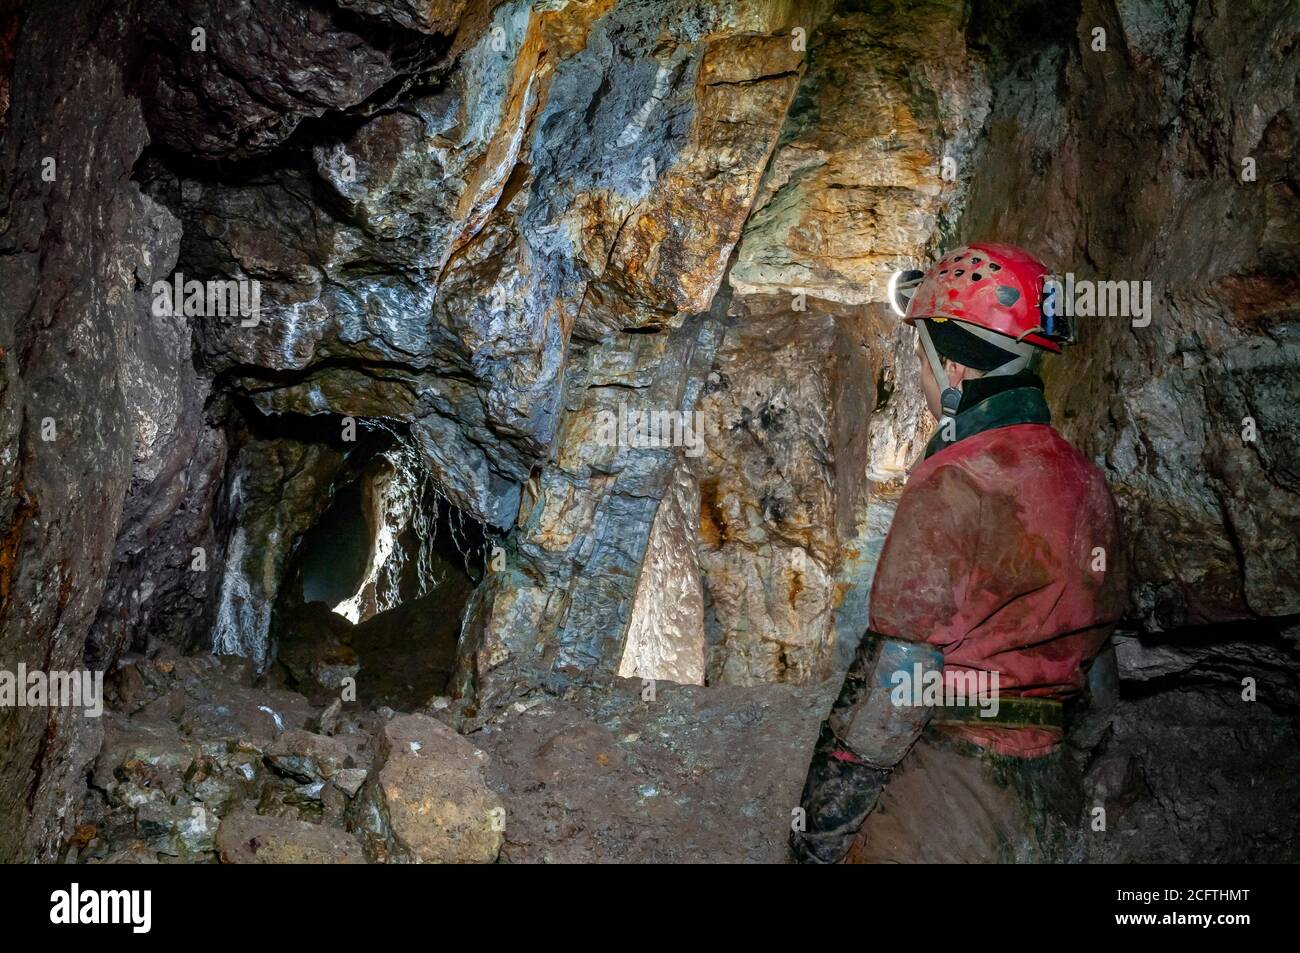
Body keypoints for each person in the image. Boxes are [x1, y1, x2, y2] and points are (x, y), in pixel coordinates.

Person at [790, 242, 1126, 864]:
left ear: (957, 372)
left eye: (923, 361)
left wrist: (817, 836)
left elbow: (896, 684)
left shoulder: (952, 482)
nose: (922, 379)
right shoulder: (1087, 481)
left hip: (949, 798)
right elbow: (1098, 671)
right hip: (1050, 798)